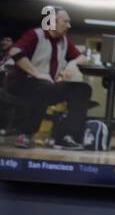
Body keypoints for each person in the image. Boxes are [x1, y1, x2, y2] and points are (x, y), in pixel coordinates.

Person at [5, 8, 91, 150]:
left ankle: (66, 136)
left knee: (82, 89)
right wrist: (37, 73)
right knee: (43, 86)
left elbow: (83, 58)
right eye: (65, 22)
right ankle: (25, 134)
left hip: (48, 85)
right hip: (23, 84)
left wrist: (73, 62)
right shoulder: (35, 34)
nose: (69, 25)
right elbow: (15, 51)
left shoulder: (64, 41)